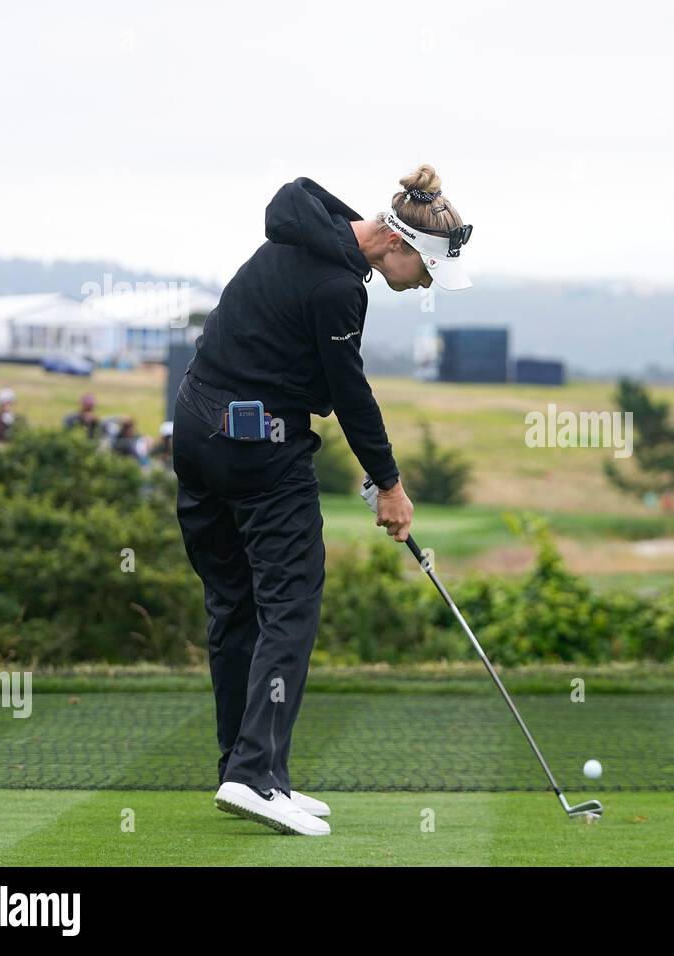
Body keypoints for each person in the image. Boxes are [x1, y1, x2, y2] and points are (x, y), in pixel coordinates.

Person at [173, 166, 473, 836]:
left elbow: (319, 385)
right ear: (398, 248)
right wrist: (391, 485)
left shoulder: (304, 233)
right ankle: (254, 775)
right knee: (291, 604)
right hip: (258, 452)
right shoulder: (341, 287)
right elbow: (351, 392)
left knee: (235, 605)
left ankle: (250, 772)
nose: (424, 287)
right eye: (425, 273)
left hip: (197, 435)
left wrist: (369, 475)